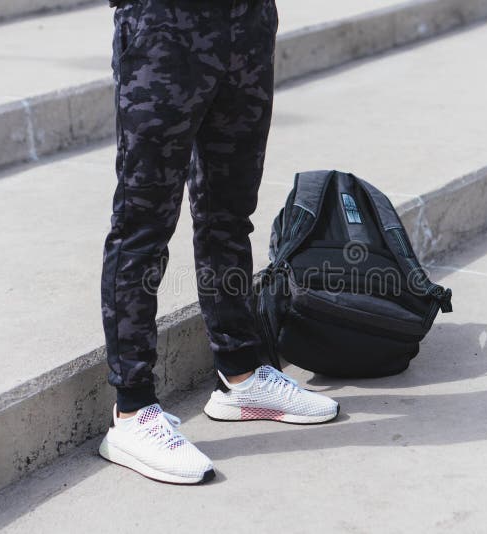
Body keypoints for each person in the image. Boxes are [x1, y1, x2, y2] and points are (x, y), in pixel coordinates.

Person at [97, 0, 339, 485]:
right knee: (143, 225)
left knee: (228, 213)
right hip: (164, 26)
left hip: (246, 21)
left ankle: (241, 374)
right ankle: (132, 410)